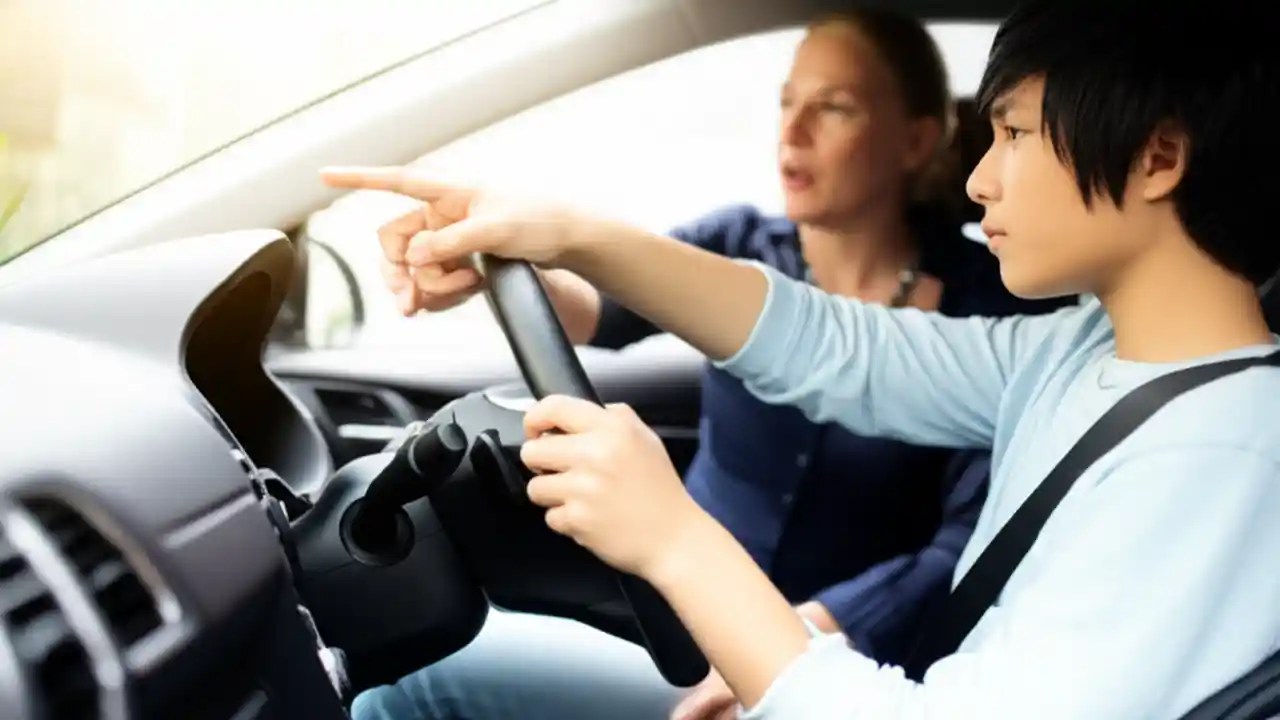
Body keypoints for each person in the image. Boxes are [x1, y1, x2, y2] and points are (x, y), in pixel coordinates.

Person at [325, 0, 1280, 716]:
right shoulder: (1084, 348)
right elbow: (834, 346)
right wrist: (564, 233)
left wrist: (677, 541)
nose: (980, 177)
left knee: (419, 694)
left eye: (1016, 134)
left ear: (1158, 158)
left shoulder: (1223, 456)